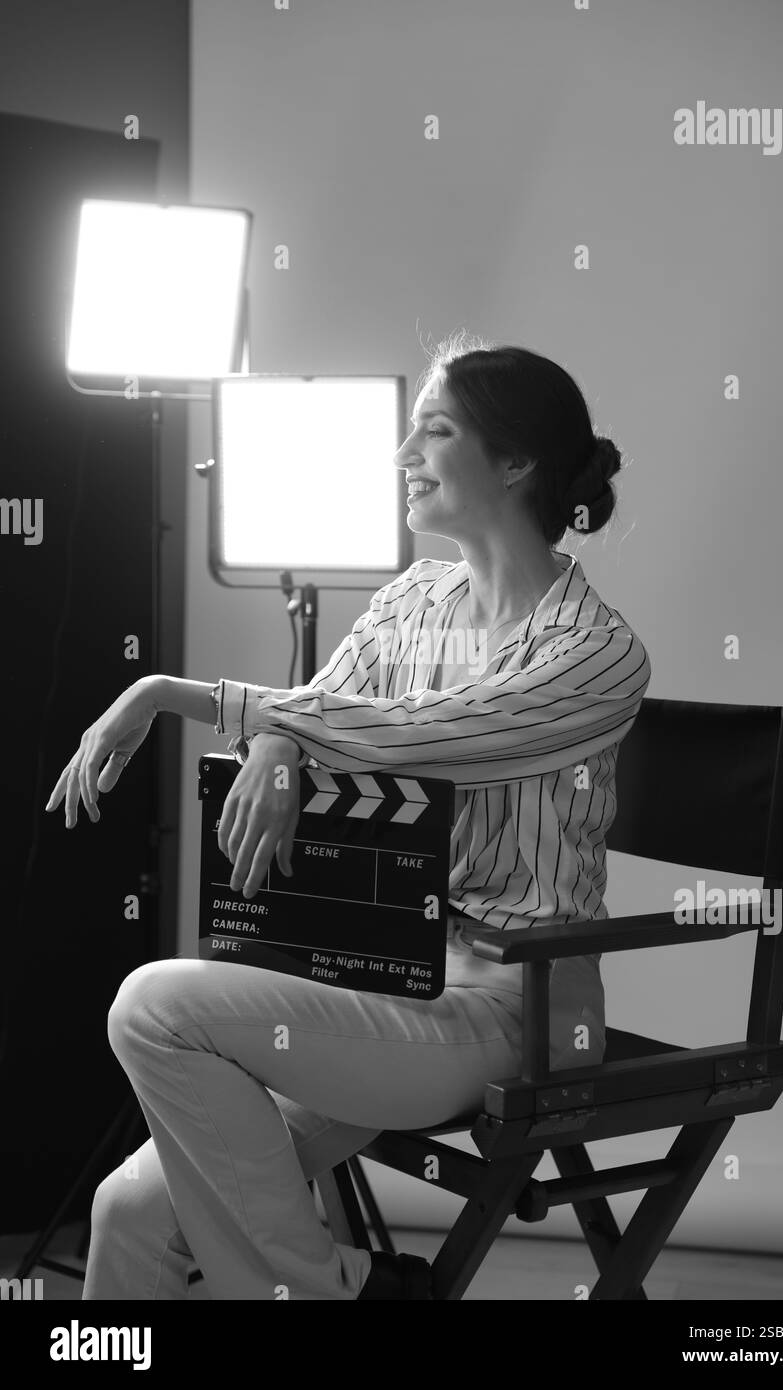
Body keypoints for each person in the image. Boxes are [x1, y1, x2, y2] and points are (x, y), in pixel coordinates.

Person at [45, 332, 651, 1300]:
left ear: (517, 462)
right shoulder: (412, 599)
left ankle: (336, 1293)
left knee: (155, 1005)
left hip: (515, 1007)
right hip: (377, 973)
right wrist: (283, 748)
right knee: (127, 1215)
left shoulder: (595, 654)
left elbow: (416, 734)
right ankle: (340, 1287)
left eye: (435, 431)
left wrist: (173, 692)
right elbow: (329, 706)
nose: (403, 457)